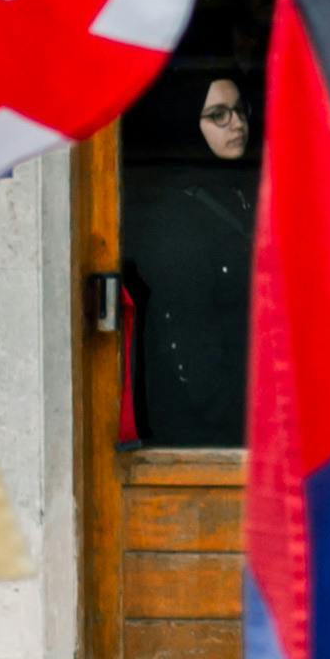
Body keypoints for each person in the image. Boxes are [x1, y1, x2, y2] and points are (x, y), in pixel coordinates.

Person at [120, 70, 258, 447]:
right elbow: (189, 338)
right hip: (204, 432)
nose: (237, 124)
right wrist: (235, 416)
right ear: (187, 124)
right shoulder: (172, 211)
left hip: (249, 417)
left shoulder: (241, 192)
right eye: (218, 115)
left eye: (239, 110)